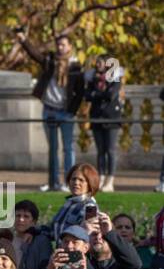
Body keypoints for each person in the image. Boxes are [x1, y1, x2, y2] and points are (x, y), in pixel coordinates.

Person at [17, 29, 84, 192]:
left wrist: (72, 111)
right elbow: (35, 55)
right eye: (58, 44)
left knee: (68, 148)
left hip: (65, 112)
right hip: (49, 110)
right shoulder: (50, 61)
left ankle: (70, 183)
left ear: (69, 47)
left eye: (63, 45)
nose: (60, 47)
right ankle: (53, 182)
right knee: (52, 149)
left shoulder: (75, 65)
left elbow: (80, 91)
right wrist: (24, 40)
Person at [84, 55, 124, 192]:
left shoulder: (115, 78)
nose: (98, 64)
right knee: (100, 150)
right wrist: (98, 94)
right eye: (97, 62)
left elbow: (111, 95)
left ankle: (110, 180)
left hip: (112, 118)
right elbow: (87, 96)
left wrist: (96, 94)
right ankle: (100, 178)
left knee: (111, 150)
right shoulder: (92, 79)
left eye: (101, 62)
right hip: (97, 117)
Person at [49, 162, 99, 241]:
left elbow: (88, 236)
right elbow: (52, 231)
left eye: (81, 180)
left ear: (90, 184)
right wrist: (32, 232)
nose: (76, 183)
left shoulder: (90, 207)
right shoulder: (68, 203)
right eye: (73, 179)